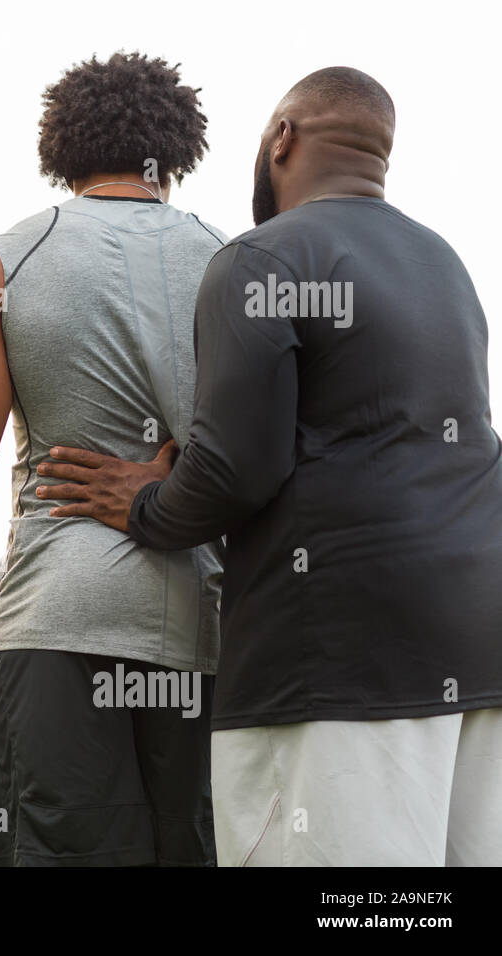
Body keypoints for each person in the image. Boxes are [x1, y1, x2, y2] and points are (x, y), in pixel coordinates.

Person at [37, 67, 502, 866]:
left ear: (281, 138)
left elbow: (237, 468)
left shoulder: (263, 259)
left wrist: (144, 503)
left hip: (342, 661)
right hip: (477, 648)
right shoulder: (443, 264)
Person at [0, 52, 226, 866]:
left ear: (62, 146)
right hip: (209, 633)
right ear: (179, 149)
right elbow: (276, 447)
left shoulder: (7, 263)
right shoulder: (237, 264)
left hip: (56, 628)